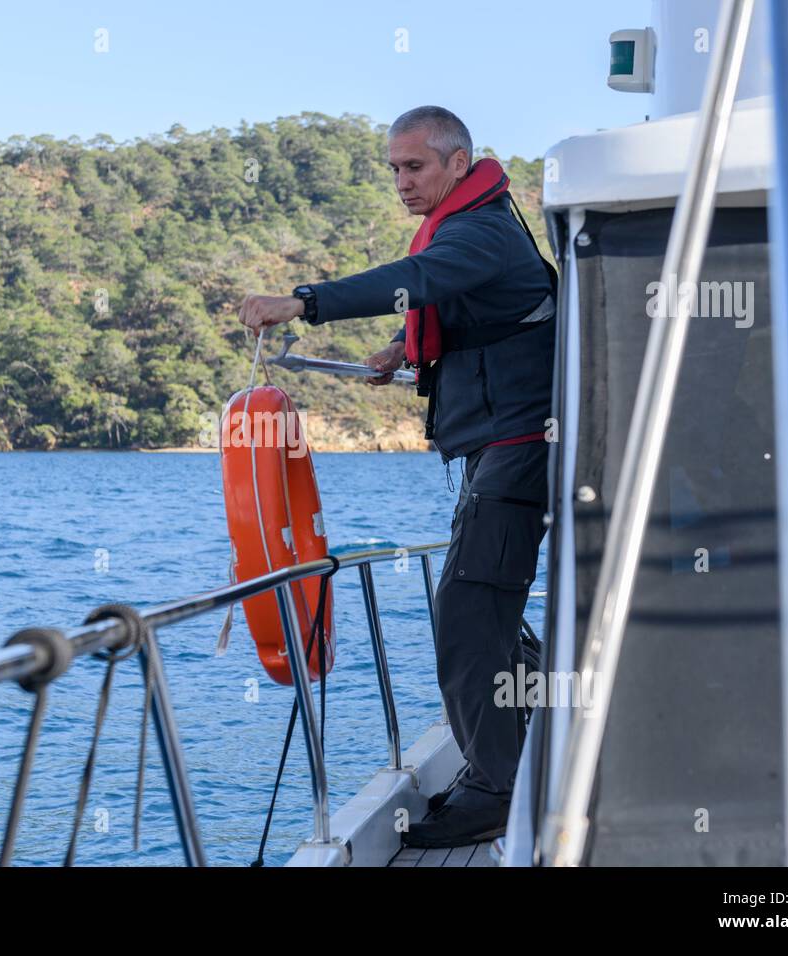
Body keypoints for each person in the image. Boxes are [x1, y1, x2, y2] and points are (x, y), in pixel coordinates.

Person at [237, 105, 555, 847]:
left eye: (414, 167)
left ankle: (501, 786)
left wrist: (303, 302)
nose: (402, 182)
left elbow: (417, 277)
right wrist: (400, 350)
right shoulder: (481, 220)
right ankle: (533, 723)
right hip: (505, 443)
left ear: (455, 163)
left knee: (468, 612)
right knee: (485, 606)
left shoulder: (476, 230)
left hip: (520, 444)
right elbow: (472, 314)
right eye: (394, 170)